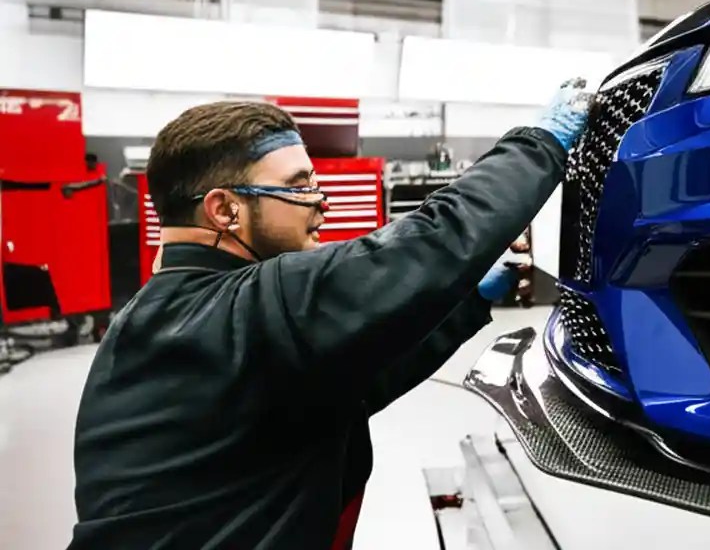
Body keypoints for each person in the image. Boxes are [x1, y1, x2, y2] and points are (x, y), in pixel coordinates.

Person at [69, 79, 592, 549]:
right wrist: (540, 142)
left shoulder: (154, 319)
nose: (323, 203)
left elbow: (346, 390)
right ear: (225, 210)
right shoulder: (251, 304)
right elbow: (433, 239)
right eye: (298, 186)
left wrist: (466, 302)